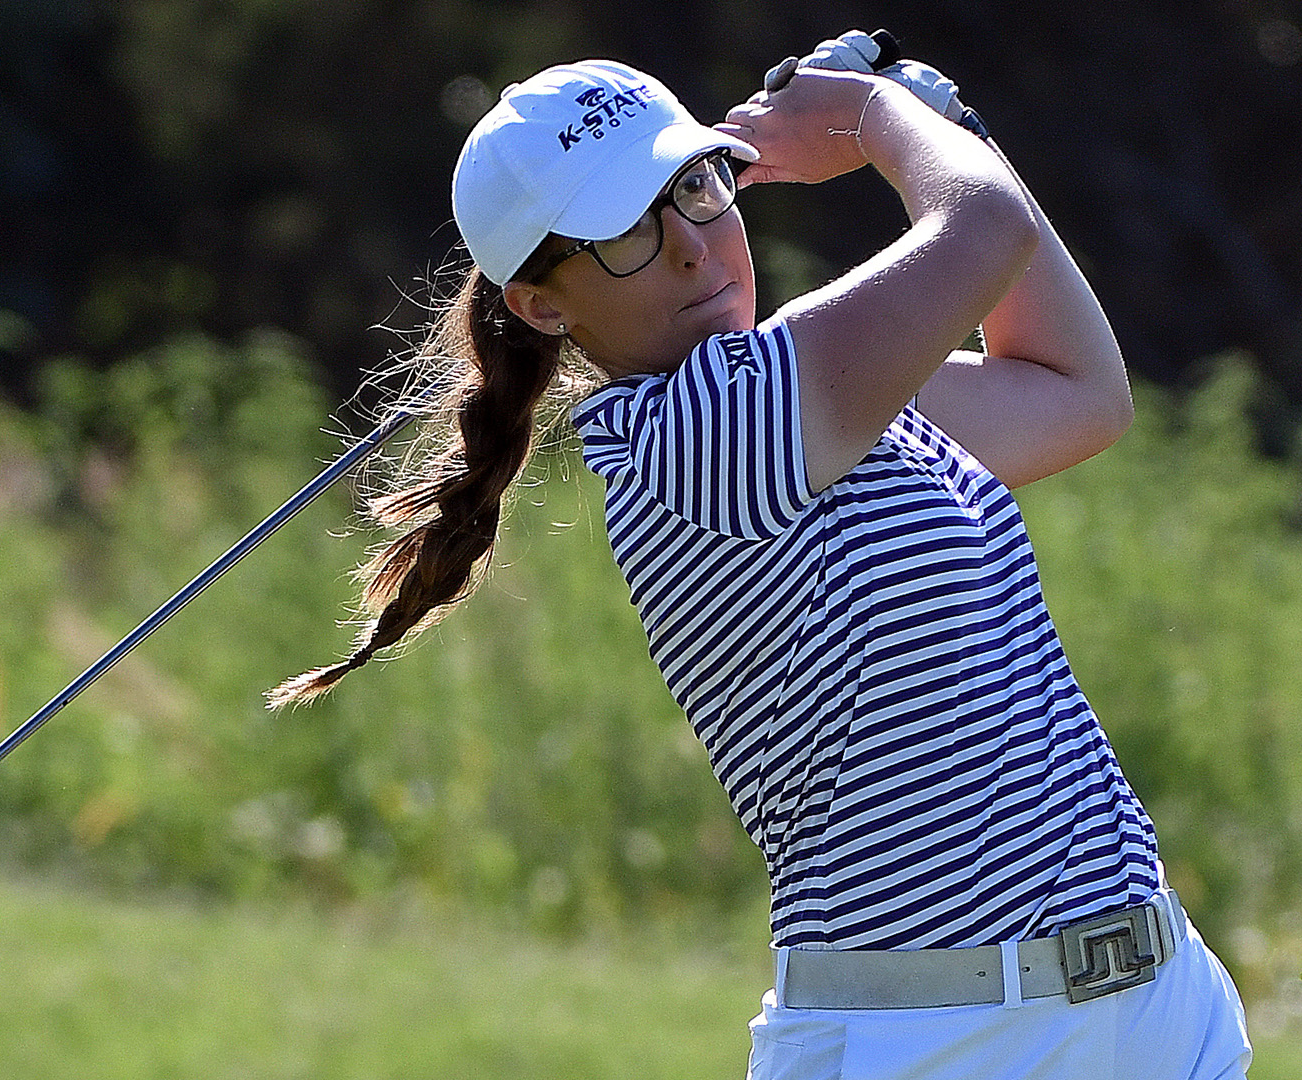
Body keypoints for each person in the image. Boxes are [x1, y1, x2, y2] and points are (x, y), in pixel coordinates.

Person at [269, 31, 1252, 1080]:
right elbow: (985, 225)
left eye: (695, 191)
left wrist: (949, 129)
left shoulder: (814, 390)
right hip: (937, 1042)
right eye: (624, 237)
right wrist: (875, 117)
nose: (691, 247)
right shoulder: (693, 436)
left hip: (1151, 1008)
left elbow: (1077, 394)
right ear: (541, 303)